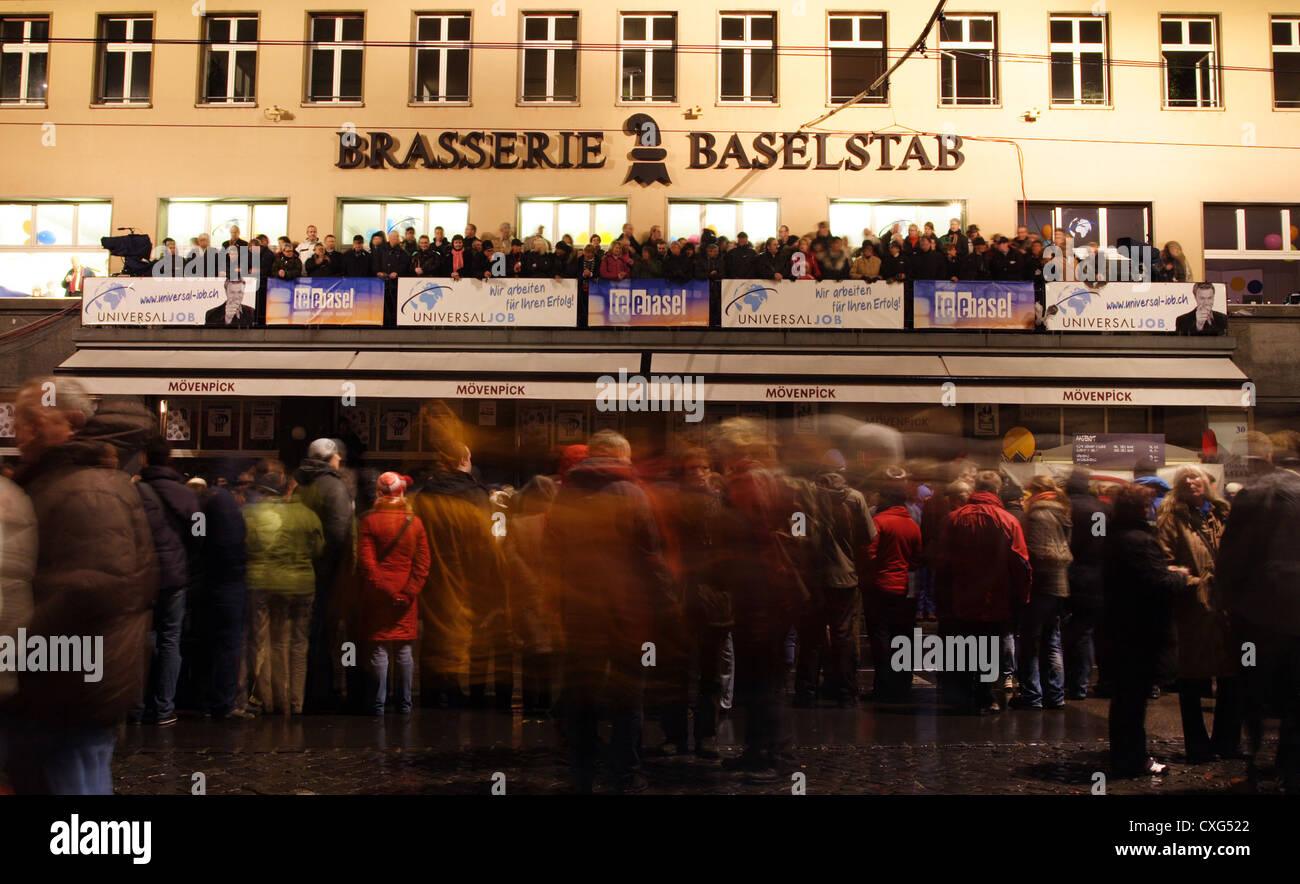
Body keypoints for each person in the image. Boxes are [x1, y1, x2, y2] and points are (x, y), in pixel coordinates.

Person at [1, 380, 157, 794]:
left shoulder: (85, 487)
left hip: (67, 691)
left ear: (70, 423)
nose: (20, 433)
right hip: (57, 687)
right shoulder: (61, 479)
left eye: (32, 422)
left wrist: (14, 646)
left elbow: (92, 588)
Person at [548, 431, 674, 792]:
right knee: (628, 693)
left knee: (581, 691)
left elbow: (552, 551)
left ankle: (582, 770)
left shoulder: (565, 495)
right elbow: (651, 555)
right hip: (626, 609)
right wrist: (666, 602)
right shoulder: (634, 494)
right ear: (619, 456)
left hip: (579, 608)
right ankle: (625, 771)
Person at [1216, 458, 1300, 791]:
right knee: (1297, 693)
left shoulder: (1252, 495)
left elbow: (1232, 554)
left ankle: (1256, 760)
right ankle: (1291, 769)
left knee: (1252, 686)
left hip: (1255, 616)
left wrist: (1226, 600)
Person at [409, 403, 501, 708]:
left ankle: (435, 691)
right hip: (466, 573)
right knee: (464, 631)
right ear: (463, 460)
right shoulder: (476, 496)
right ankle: (458, 691)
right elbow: (485, 543)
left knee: (436, 631)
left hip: (432, 572)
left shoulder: (425, 495)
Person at [1156, 465, 1240, 762]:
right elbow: (1164, 563)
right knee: (1191, 679)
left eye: (1196, 477)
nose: (1191, 482)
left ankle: (1227, 742)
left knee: (1232, 676)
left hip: (1226, 608)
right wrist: (1196, 583)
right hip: (1193, 609)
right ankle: (1197, 746)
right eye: (1185, 479)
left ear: (1206, 482)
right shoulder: (1170, 519)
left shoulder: (1222, 515)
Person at [935, 470, 1031, 714]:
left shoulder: (954, 518)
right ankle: (986, 695)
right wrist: (1023, 595)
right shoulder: (1008, 520)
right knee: (991, 645)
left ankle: (965, 694)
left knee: (967, 644)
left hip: (963, 593)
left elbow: (942, 560)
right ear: (997, 491)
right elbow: (1020, 561)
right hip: (995, 595)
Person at [1106, 483, 1184, 777]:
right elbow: (1158, 583)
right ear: (1142, 508)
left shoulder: (1115, 536)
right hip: (1140, 632)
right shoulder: (1139, 540)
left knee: (1126, 699)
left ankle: (1126, 757)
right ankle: (1133, 760)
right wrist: (1180, 576)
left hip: (1120, 628)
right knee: (1133, 701)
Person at [243, 464, 324, 715]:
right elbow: (318, 550)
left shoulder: (251, 513)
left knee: (264, 642)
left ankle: (268, 701)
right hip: (301, 585)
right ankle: (295, 702)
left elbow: (244, 546)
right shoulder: (308, 515)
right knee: (298, 644)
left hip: (262, 584)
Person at [133, 435, 199, 727]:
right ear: (170, 459)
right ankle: (163, 708)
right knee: (171, 639)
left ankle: (136, 706)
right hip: (175, 574)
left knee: (143, 639)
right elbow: (199, 535)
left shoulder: (135, 491)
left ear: (145, 458)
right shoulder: (186, 494)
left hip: (143, 575)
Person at [356, 473, 430, 716]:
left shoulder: (369, 522)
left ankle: (378, 704)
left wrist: (386, 590)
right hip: (406, 594)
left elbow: (367, 564)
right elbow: (422, 563)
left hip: (377, 595)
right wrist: (408, 592)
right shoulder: (414, 522)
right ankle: (405, 704)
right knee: (404, 650)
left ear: (379, 493)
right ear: (402, 493)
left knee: (379, 650)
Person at [292, 438, 354, 713]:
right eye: (338, 456)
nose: (340, 459)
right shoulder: (334, 486)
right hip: (326, 569)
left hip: (300, 565)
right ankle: (322, 690)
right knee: (323, 632)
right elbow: (341, 532)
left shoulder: (298, 482)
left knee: (302, 632)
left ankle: (299, 689)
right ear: (330, 458)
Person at [192, 459, 249, 719]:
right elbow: (235, 544)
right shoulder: (227, 505)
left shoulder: (201, 506)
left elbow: (197, 540)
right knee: (228, 643)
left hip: (205, 581)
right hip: (228, 582)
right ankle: (223, 702)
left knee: (205, 642)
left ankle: (202, 699)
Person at [1011, 476, 1072, 710]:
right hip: (1059, 584)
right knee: (1052, 640)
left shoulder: (1038, 513)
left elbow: (1036, 551)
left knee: (1029, 641)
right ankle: (1055, 695)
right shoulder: (1062, 512)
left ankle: (1031, 695)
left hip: (1040, 585)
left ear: (1036, 491)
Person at [862, 467, 923, 702]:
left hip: (879, 585)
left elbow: (870, 553)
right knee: (903, 636)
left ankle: (883, 685)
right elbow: (917, 559)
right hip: (904, 587)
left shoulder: (878, 519)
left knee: (880, 636)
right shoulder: (913, 521)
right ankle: (902, 684)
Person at [502, 475, 560, 713]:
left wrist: (528, 582)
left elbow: (509, 558)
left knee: (529, 652)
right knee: (549, 654)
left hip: (526, 596)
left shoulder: (517, 523)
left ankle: (529, 703)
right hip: (553, 596)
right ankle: (547, 704)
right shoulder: (557, 522)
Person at [1063, 469, 1110, 700]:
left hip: (1070, 573)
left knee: (1071, 632)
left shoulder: (1065, 507)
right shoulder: (1102, 508)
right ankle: (1094, 682)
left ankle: (1073, 683)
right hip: (1099, 575)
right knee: (1093, 631)